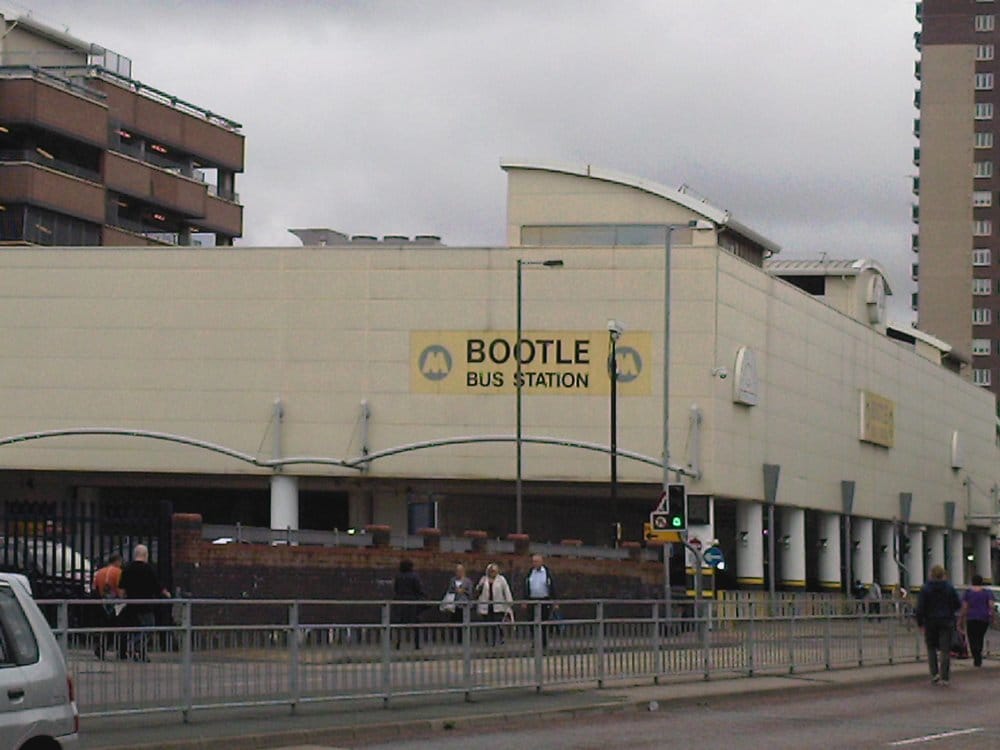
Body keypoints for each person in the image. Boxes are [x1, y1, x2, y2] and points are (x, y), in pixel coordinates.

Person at [118, 545, 171, 662]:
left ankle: (138, 650)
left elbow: (121, 589)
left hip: (131, 604)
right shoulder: (149, 569)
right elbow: (157, 586)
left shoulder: (127, 568)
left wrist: (123, 599)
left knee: (133, 629)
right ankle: (135, 646)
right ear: (146, 555)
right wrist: (166, 594)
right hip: (146, 604)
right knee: (149, 627)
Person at [915, 564, 962, 686]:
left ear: (931, 574)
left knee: (931, 648)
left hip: (930, 622)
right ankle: (945, 677)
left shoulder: (925, 588)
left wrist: (920, 622)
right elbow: (957, 604)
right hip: (946, 621)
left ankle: (934, 674)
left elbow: (920, 607)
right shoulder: (949, 588)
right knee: (945, 650)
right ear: (943, 575)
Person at [91, 552, 123, 660]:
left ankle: (100, 647)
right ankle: (120, 650)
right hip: (114, 605)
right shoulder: (118, 572)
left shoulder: (100, 572)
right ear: (117, 561)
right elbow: (120, 589)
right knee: (116, 628)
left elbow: (94, 587)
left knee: (104, 627)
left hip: (101, 602)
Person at [960, 574, 995, 668]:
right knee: (980, 637)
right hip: (984, 618)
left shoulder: (968, 593)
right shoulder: (987, 592)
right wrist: (992, 616)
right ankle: (978, 655)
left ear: (972, 582)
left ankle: (976, 656)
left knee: (972, 638)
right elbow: (991, 605)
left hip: (971, 618)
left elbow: (965, 607)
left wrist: (961, 618)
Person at [522, 554, 557, 648]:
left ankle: (544, 642)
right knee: (532, 622)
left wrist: (554, 601)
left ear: (541, 562)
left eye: (537, 561)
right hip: (532, 600)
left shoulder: (547, 573)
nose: (535, 563)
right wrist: (525, 600)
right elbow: (525, 586)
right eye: (533, 561)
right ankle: (535, 641)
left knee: (543, 622)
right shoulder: (530, 572)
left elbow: (552, 587)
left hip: (544, 600)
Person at [475, 563, 513, 646]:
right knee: (488, 625)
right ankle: (489, 642)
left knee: (498, 624)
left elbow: (506, 591)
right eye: (491, 571)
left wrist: (509, 602)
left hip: (498, 606)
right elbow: (478, 591)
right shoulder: (484, 579)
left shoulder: (501, 579)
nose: (492, 573)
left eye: (494, 571)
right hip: (487, 607)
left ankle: (498, 640)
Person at [392, 559, 425, 650]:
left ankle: (397, 644)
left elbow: (396, 588)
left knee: (399, 624)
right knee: (416, 624)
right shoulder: (414, 576)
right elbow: (418, 589)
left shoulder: (398, 576)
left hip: (400, 602)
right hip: (412, 603)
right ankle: (416, 644)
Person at [441, 563, 473, 642]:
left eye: (460, 571)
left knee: (464, 621)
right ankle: (456, 638)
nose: (458, 572)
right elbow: (449, 590)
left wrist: (463, 591)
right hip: (455, 604)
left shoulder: (468, 581)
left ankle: (464, 638)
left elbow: (470, 592)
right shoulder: (453, 580)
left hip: (464, 604)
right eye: (457, 571)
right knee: (455, 621)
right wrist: (455, 590)